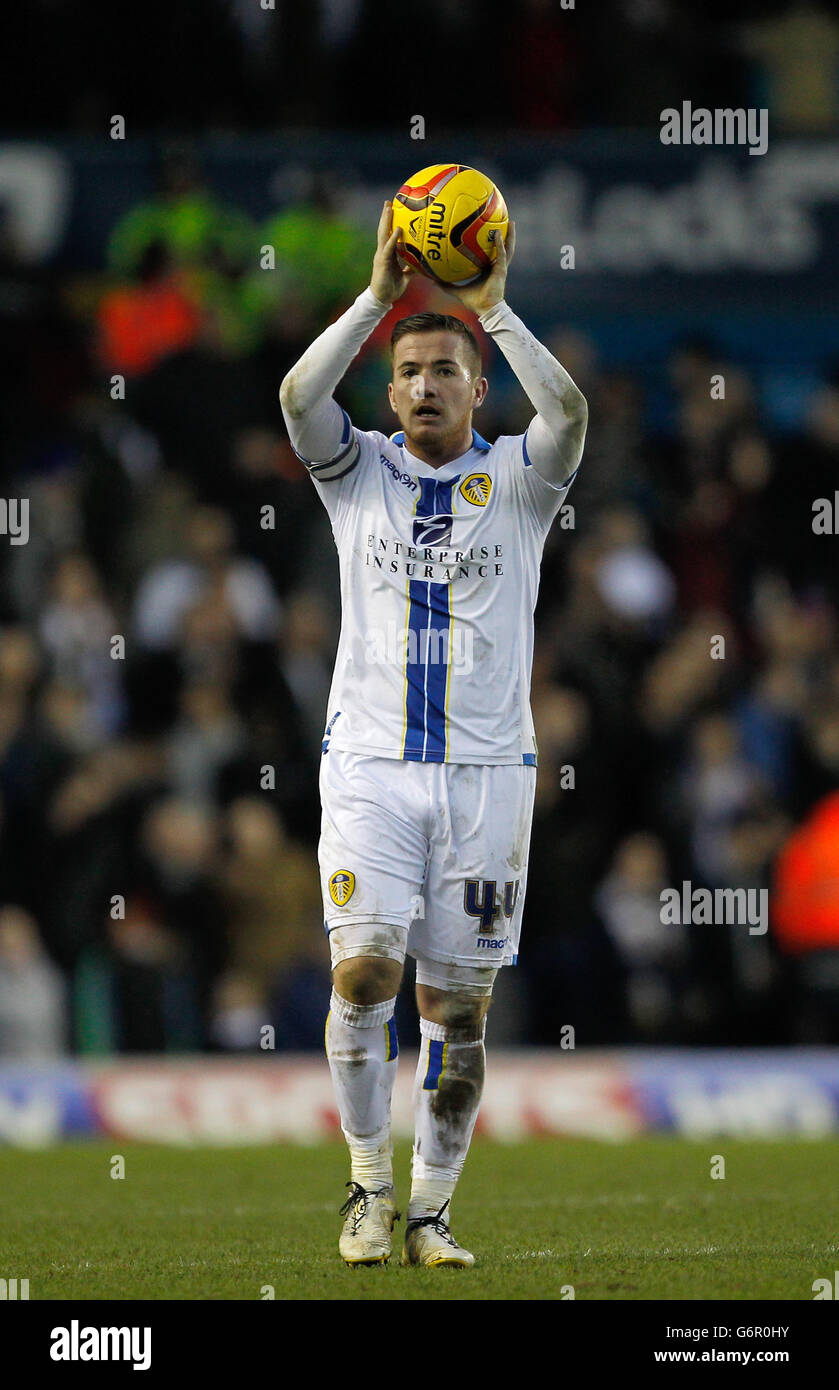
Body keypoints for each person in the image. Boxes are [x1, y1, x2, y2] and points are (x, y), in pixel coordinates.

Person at [279, 202, 588, 1268]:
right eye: (405, 370)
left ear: (474, 388)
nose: (419, 385)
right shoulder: (355, 469)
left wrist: (492, 310)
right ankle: (366, 1188)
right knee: (363, 978)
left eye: (440, 371)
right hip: (368, 768)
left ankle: (429, 1213)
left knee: (457, 1013)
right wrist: (375, 296)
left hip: (488, 784)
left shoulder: (517, 481)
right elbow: (294, 396)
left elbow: (572, 414)